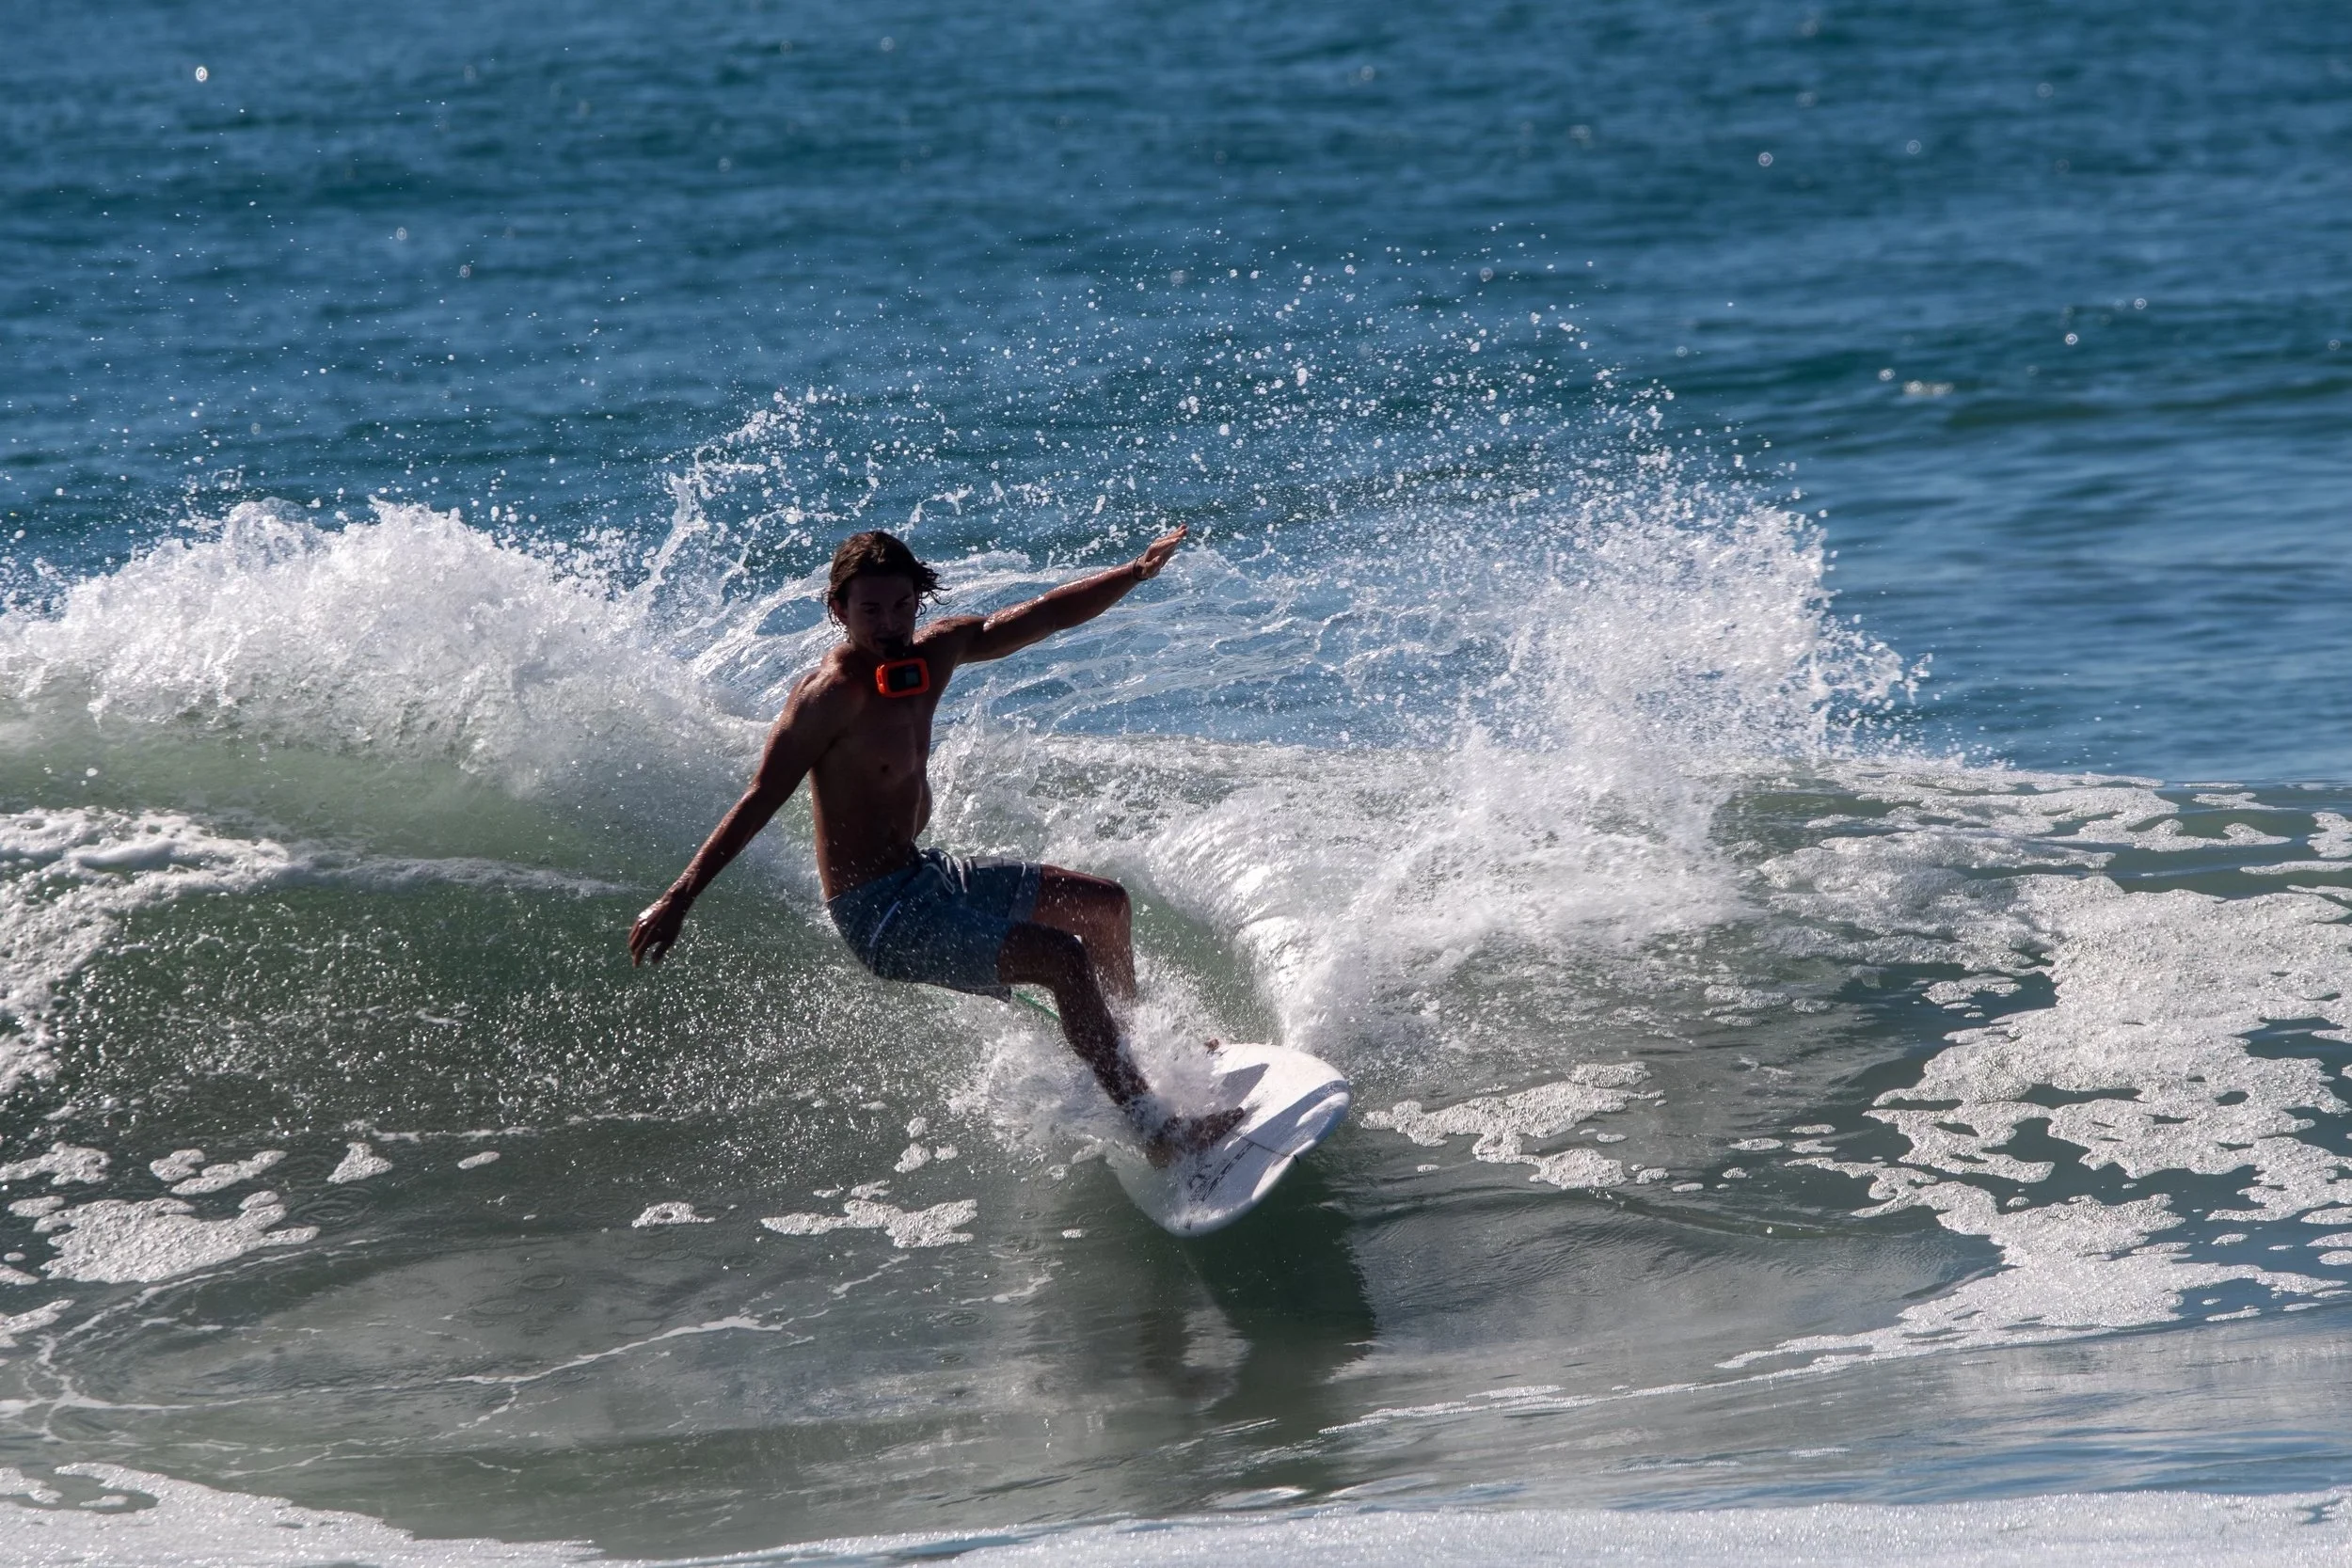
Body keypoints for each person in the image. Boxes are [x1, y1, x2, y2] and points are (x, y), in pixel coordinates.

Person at [628, 526, 1241, 1164]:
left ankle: (1130, 1050)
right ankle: (1155, 1129)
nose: (889, 624)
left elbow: (1045, 615)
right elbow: (760, 796)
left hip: (929, 876)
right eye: (870, 610)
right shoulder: (828, 699)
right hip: (881, 914)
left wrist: (1134, 572)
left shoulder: (937, 652)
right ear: (837, 608)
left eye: (901, 607)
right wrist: (679, 897)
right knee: (1063, 957)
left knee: (1106, 904)